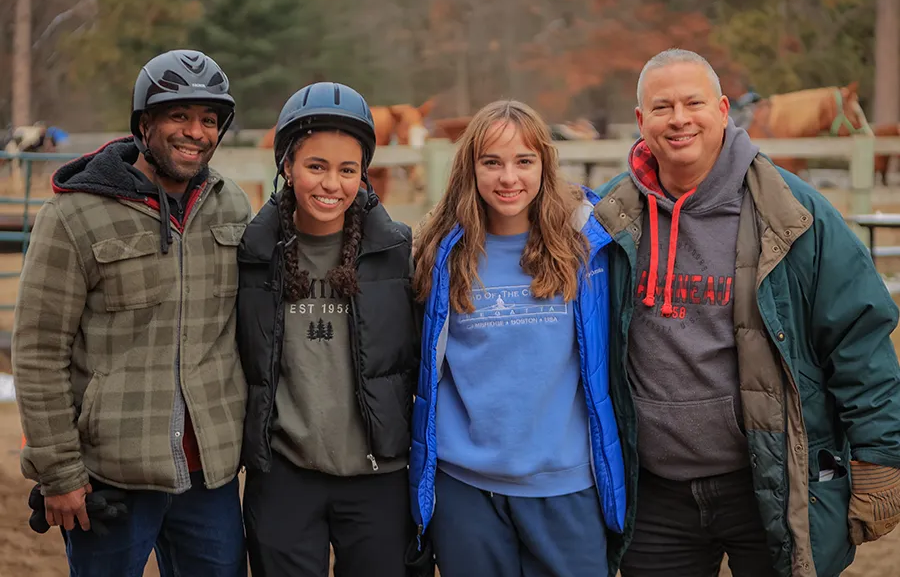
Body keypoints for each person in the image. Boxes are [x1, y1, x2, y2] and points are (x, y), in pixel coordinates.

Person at [593, 48, 900, 577]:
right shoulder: (609, 218)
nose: (680, 118)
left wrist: (880, 457)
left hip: (769, 481)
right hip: (654, 494)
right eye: (662, 107)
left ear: (722, 109)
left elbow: (858, 337)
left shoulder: (794, 213)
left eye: (693, 102)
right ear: (642, 121)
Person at [12, 49, 252, 576]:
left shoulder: (232, 205)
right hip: (108, 476)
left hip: (208, 475)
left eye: (209, 120)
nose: (195, 132)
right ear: (145, 123)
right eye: (179, 116)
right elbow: (37, 350)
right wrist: (59, 472)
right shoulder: (74, 215)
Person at [409, 99, 626, 577]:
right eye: (492, 162)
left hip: (565, 484)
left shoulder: (585, 250)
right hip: (467, 487)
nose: (509, 177)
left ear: (544, 167)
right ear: (471, 168)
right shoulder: (441, 253)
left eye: (524, 161)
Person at [237, 82, 420, 577]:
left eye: (347, 170)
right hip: (285, 476)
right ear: (287, 167)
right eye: (316, 166)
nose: (331, 184)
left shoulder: (399, 253)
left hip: (378, 475)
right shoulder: (252, 255)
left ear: (363, 175)